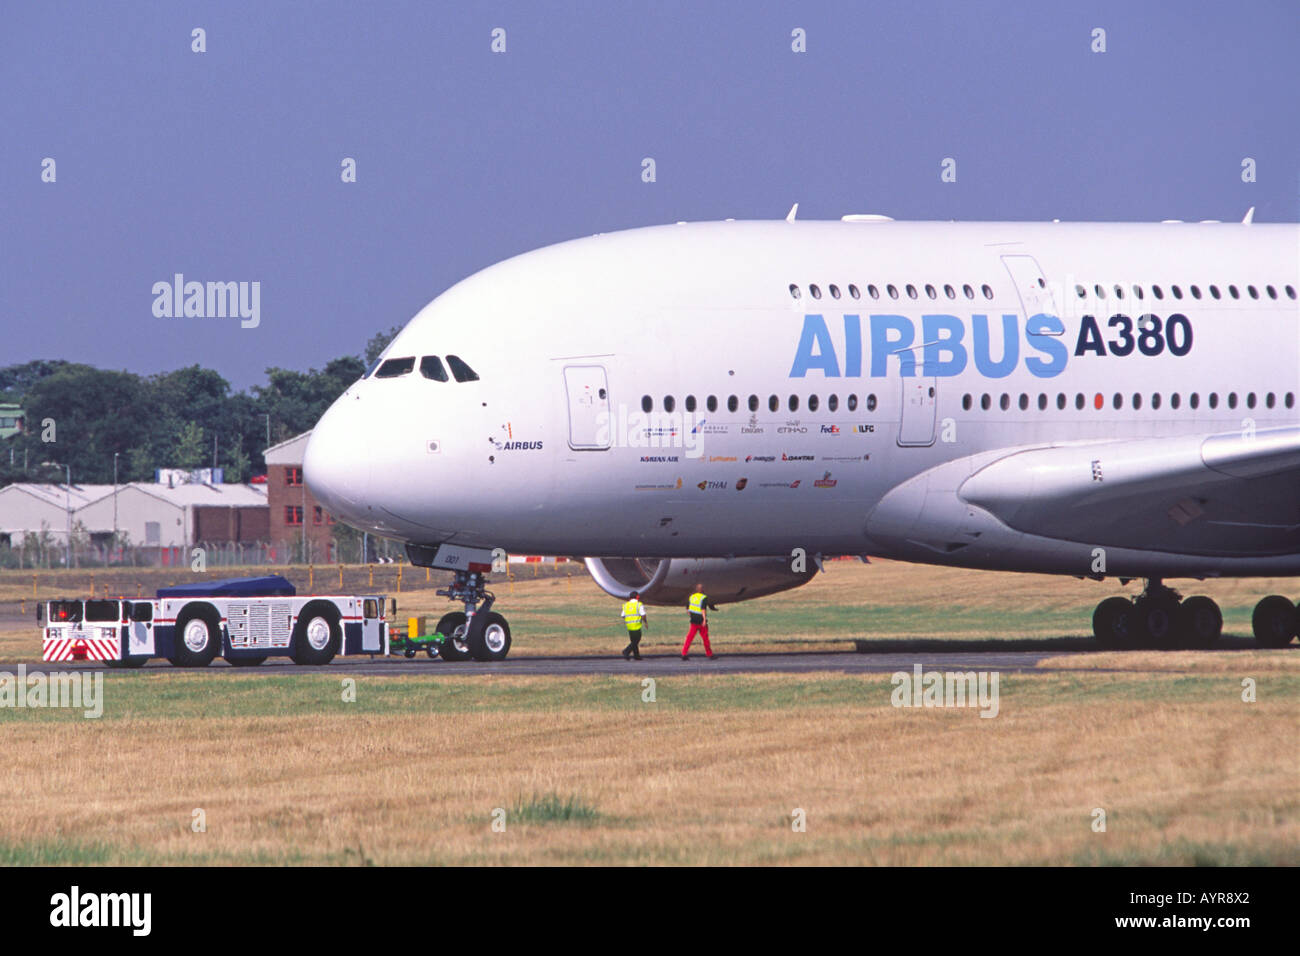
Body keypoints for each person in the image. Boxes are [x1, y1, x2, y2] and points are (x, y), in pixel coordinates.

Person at [681, 583, 718, 660]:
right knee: (705, 638)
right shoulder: (703, 598)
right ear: (702, 590)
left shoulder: (692, 597)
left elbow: (687, 609)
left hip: (693, 620)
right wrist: (704, 620)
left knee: (689, 638)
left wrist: (691, 615)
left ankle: (684, 653)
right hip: (700, 621)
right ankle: (709, 654)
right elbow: (703, 609)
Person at [620, 590, 646, 660]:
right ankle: (626, 651)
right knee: (636, 640)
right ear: (637, 597)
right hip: (636, 626)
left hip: (629, 626)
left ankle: (636, 656)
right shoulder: (638, 604)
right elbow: (643, 615)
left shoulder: (626, 605)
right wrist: (645, 622)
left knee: (633, 641)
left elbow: (622, 615)